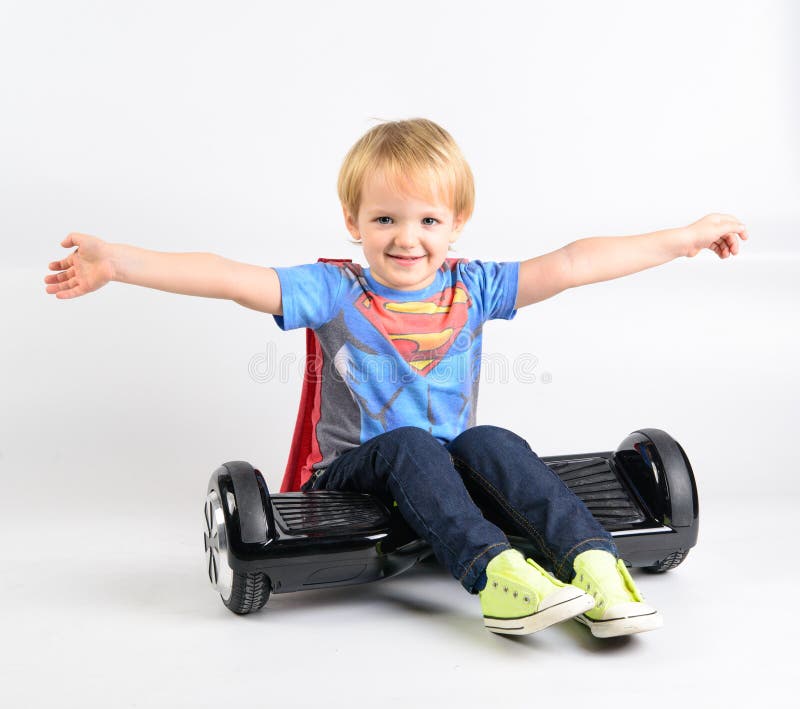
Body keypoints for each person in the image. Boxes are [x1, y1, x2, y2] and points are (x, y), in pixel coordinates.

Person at [44, 118, 747, 638]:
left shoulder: (474, 287)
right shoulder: (333, 290)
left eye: (427, 219)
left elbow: (571, 263)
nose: (406, 238)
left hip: (444, 471)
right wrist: (121, 261)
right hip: (354, 478)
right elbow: (228, 276)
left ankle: (595, 567)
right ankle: (497, 578)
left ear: (456, 224)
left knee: (491, 441)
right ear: (353, 220)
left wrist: (681, 239)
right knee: (412, 443)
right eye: (384, 218)